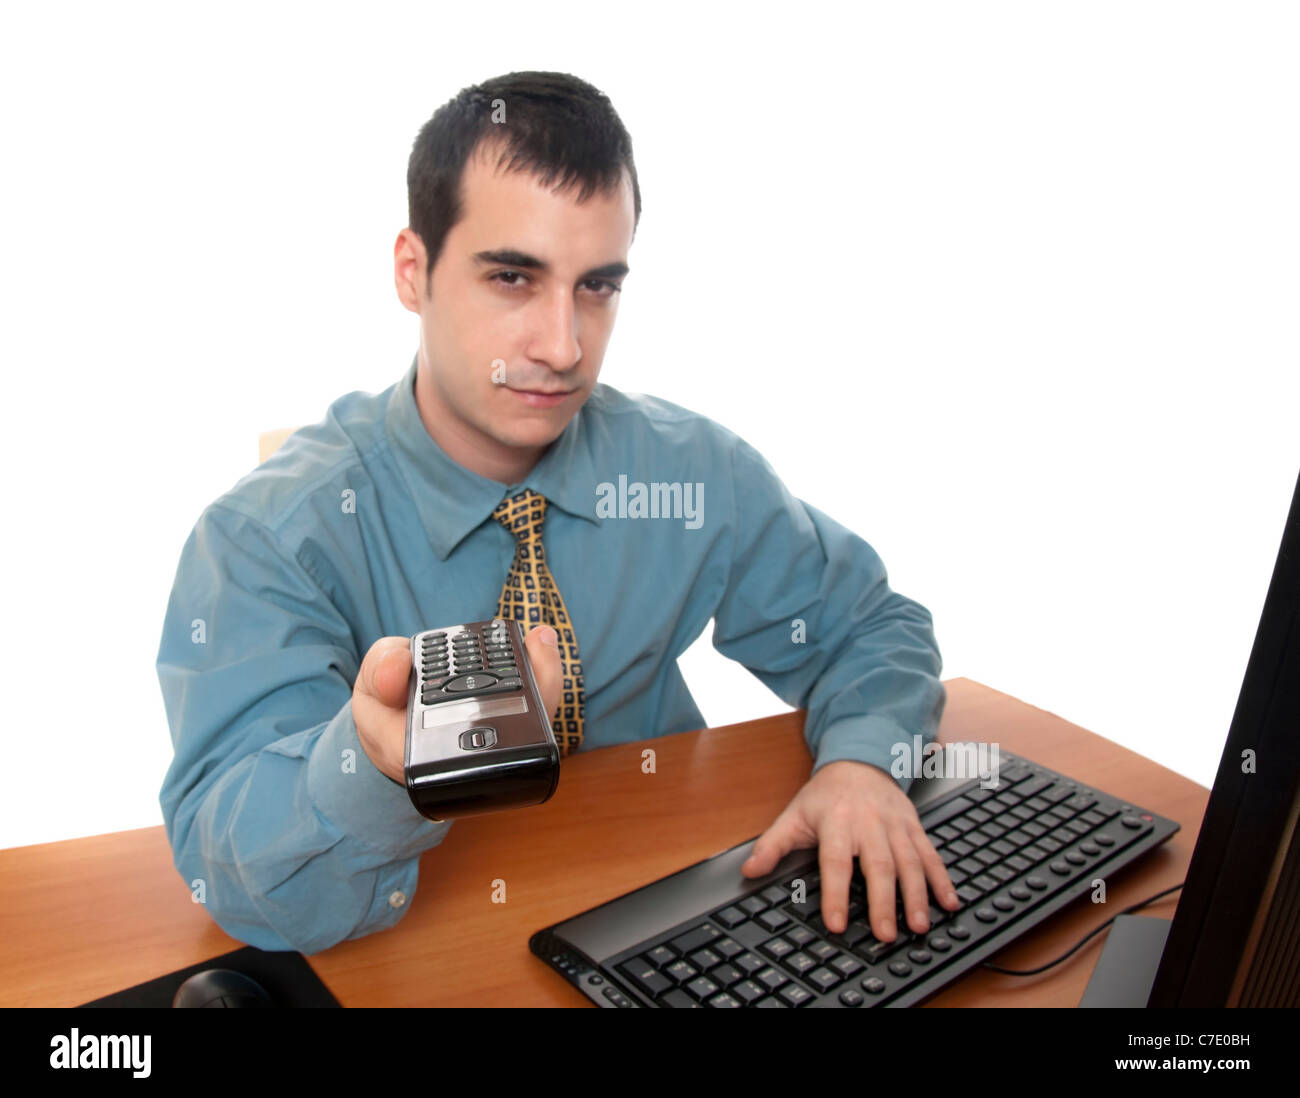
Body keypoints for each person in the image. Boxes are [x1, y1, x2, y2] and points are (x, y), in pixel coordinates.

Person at [157, 70, 958, 957]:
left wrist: (859, 767)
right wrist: (377, 766)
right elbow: (226, 866)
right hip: (435, 952)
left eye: (597, 287)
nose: (565, 348)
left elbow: (870, 627)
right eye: (512, 277)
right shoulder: (267, 536)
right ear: (412, 272)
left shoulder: (687, 468)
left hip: (680, 920)